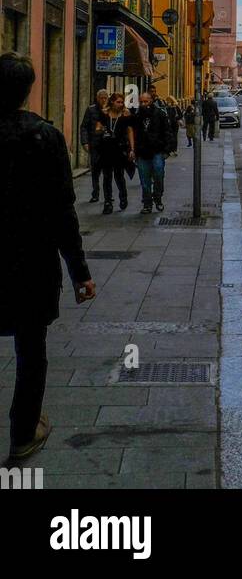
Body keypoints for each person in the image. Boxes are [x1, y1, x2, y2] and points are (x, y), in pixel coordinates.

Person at [0, 51, 96, 464]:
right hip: (31, 262)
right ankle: (23, 433)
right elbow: (62, 211)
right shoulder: (45, 137)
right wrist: (80, 273)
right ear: (29, 90)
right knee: (30, 349)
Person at [92, 92, 133, 214]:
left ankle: (123, 197)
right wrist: (100, 130)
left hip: (119, 149)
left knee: (119, 175)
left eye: (122, 102)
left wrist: (132, 149)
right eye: (118, 102)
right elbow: (97, 128)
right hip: (106, 148)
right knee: (107, 176)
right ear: (112, 102)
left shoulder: (125, 115)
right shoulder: (104, 114)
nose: (120, 104)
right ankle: (108, 202)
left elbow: (130, 131)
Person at [132, 90, 172, 214]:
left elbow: (167, 132)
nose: (144, 104)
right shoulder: (137, 116)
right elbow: (132, 133)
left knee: (159, 175)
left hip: (157, 151)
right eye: (142, 102)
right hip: (142, 152)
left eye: (146, 101)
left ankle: (158, 197)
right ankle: (147, 203)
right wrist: (133, 150)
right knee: (145, 180)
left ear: (151, 101)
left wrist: (166, 150)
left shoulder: (160, 114)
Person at [79, 89, 109, 202]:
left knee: (107, 171)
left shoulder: (110, 111)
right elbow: (84, 127)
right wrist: (85, 142)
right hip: (95, 144)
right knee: (95, 170)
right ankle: (95, 192)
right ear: (97, 98)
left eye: (105, 98)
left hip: (107, 145)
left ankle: (107, 194)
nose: (103, 100)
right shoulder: (91, 110)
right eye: (101, 98)